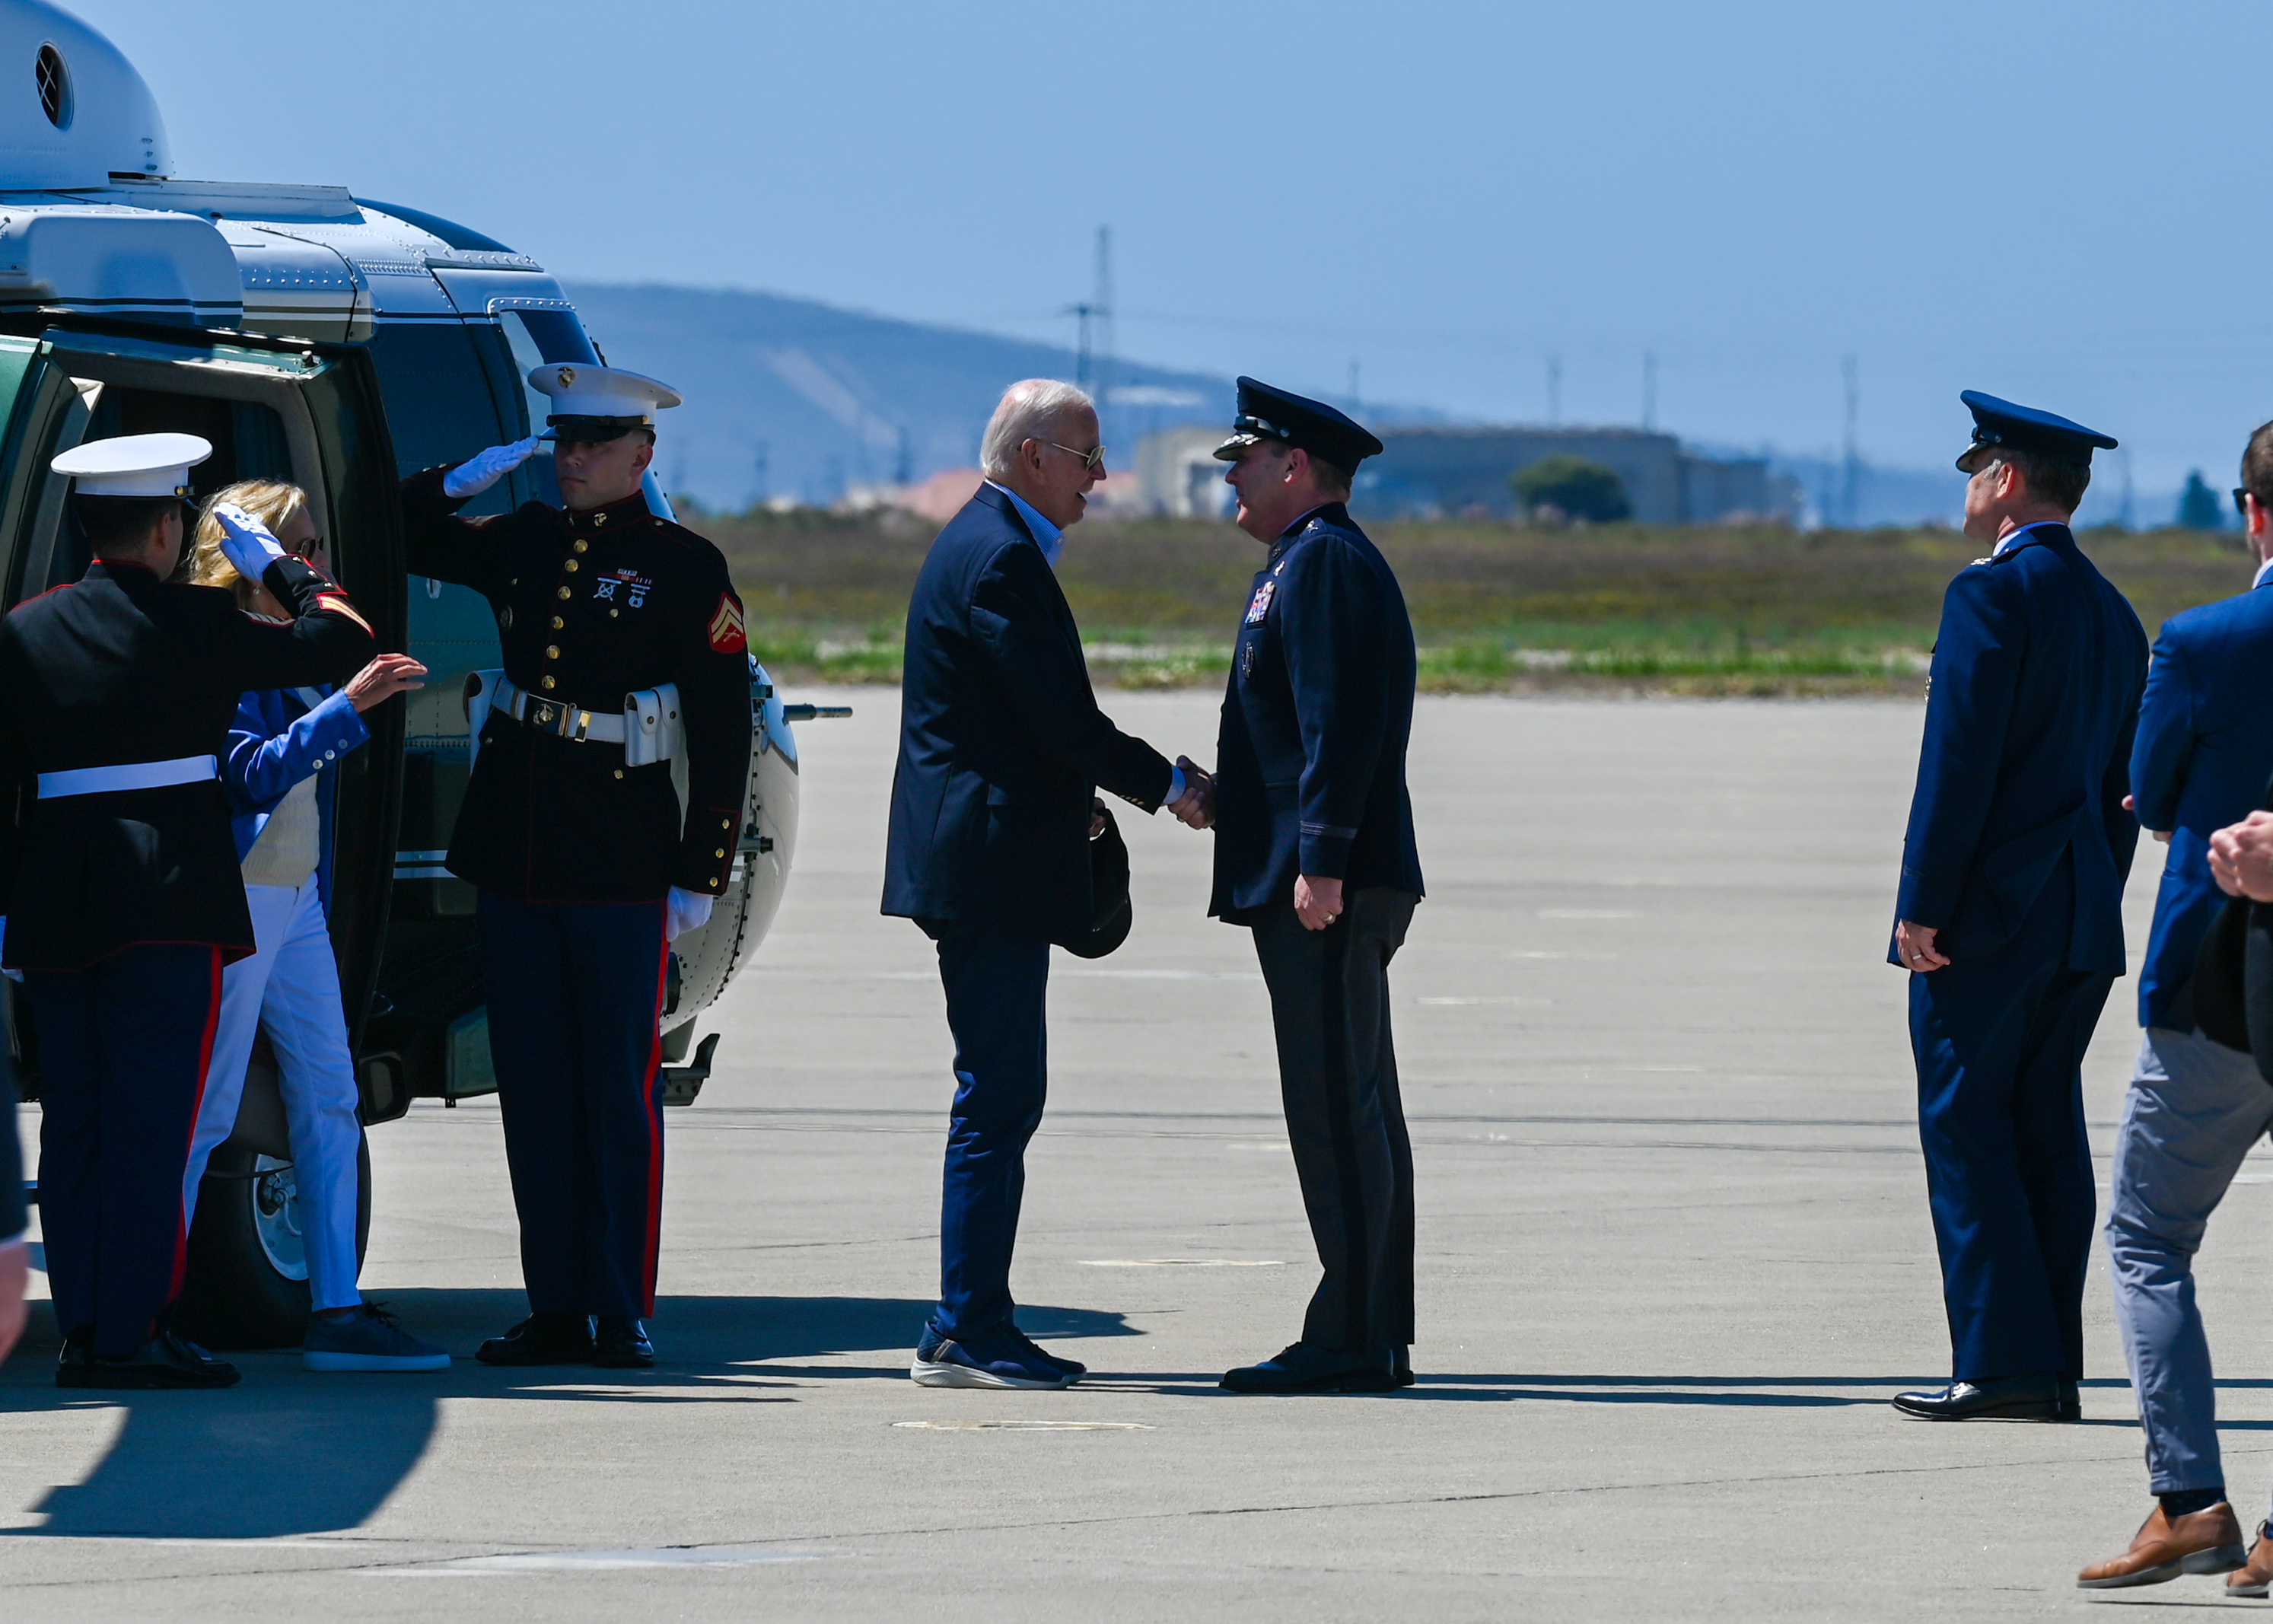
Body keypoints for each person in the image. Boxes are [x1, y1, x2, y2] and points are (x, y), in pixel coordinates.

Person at [0, 433, 374, 1388]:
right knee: (154, 1123)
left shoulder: (26, 628)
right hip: (167, 901)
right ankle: (135, 1332)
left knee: (77, 1126)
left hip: (55, 904)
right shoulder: (197, 625)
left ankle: (85, 1330)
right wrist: (282, 568)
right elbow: (342, 639)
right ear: (170, 525)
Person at [400, 364, 751, 1371]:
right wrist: (453, 481)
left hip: (620, 858)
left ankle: (617, 1307)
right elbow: (401, 531)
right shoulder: (524, 538)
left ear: (643, 453)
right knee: (538, 1091)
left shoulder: (685, 565)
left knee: (615, 1094)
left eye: (594, 443)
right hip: (515, 852)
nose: (573, 459)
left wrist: (701, 871)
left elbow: (721, 729)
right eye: (563, 441)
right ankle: (554, 1304)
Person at [883, 378, 1214, 1390]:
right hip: (985, 870)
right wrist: (1173, 787)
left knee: (1001, 1094)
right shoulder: (997, 558)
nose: (1101, 476)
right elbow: (1059, 722)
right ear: (1032, 456)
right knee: (998, 1098)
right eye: (1086, 455)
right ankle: (964, 1327)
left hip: (987, 862)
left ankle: (968, 1320)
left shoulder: (995, 545)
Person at [1888, 393, 2147, 1423]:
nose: (1964, 487)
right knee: (2040, 1124)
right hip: (2077, 911)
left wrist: (1922, 905)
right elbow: (2122, 785)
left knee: (1963, 1120)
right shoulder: (2108, 608)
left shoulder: (1988, 596)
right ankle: (2045, 1364)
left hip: (1988, 916)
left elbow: (1956, 768)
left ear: (2002, 481)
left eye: (1972, 467)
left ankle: (1998, 1361)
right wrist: (2088, 884)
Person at [176, 479, 447, 1374]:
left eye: (318, 545)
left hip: (294, 897)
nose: (316, 565)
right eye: (298, 547)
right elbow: (247, 775)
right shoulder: (213, 645)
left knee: (329, 1097)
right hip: (241, 895)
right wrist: (348, 707)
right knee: (206, 1110)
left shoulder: (291, 650)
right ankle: (152, 1311)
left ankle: (336, 1308)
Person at [2079, 425, 2273, 1592]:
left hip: (2214, 982)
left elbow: (2147, 794)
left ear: (2251, 515)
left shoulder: (2201, 640)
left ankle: (2187, 1498)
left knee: (2148, 1236)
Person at [1207, 378, 1425, 1396]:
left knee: (1336, 1105)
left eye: (1241, 461)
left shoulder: (1324, 564)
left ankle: (1350, 1334)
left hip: (1324, 882)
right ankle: (1370, 1327)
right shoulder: (1302, 562)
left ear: (1292, 466)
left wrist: (1321, 860)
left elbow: (1340, 724)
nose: (1231, 480)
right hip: (1312, 868)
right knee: (1353, 1100)